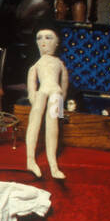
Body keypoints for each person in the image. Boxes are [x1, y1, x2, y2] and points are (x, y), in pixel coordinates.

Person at [25, 28, 69, 180]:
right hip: (42, 93)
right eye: (39, 38)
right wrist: (33, 97)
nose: (43, 41)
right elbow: (31, 85)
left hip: (55, 94)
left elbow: (64, 84)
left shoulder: (60, 64)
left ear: (57, 43)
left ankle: (53, 164)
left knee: (53, 125)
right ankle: (30, 159)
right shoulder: (36, 65)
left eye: (48, 38)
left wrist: (61, 105)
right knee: (34, 122)